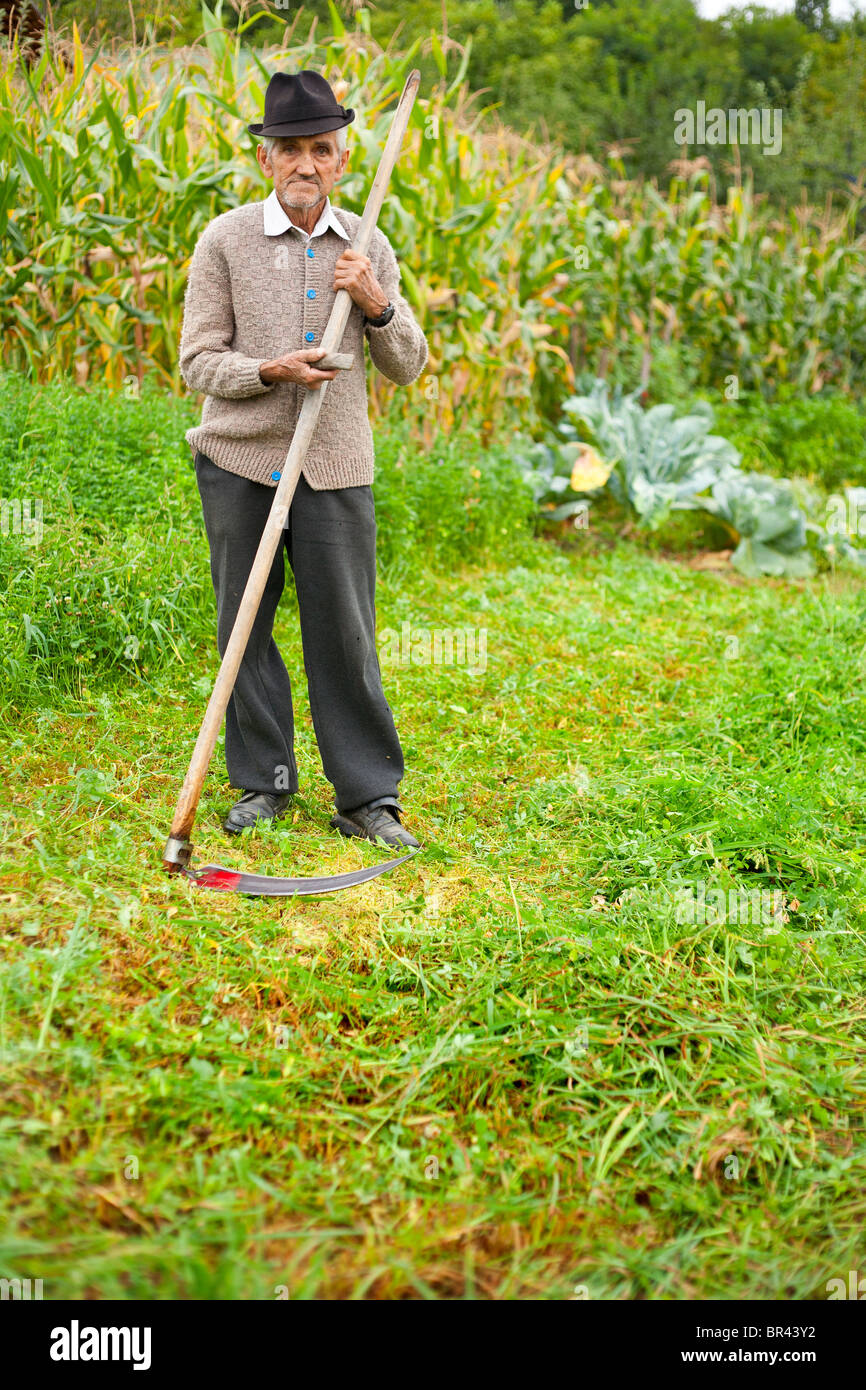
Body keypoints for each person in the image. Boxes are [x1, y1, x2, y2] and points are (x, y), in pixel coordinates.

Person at [179, 70, 427, 848]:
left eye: (322, 150)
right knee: (244, 626)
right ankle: (264, 783)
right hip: (241, 460)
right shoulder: (224, 240)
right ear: (266, 160)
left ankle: (365, 798)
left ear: (343, 162)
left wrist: (377, 302)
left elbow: (409, 364)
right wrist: (269, 371)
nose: (306, 165)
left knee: (344, 632)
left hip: (335, 465)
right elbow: (197, 361)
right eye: (291, 150)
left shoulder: (369, 240)